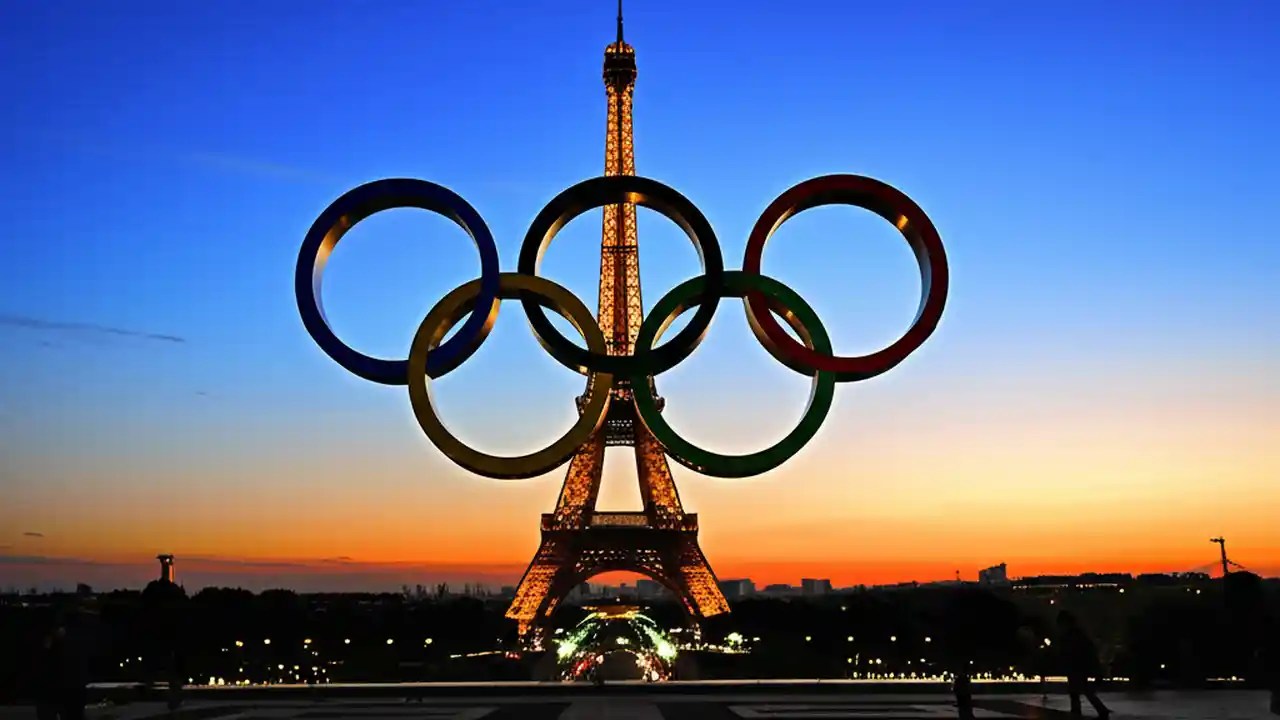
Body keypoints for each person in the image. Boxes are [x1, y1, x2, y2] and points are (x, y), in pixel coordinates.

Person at [1055, 611, 1110, 719]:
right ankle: (1097, 710)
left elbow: (1071, 652)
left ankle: (1080, 712)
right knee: (1082, 691)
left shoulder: (1072, 636)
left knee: (1077, 691)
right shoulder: (1078, 635)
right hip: (1079, 667)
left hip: (1076, 667)